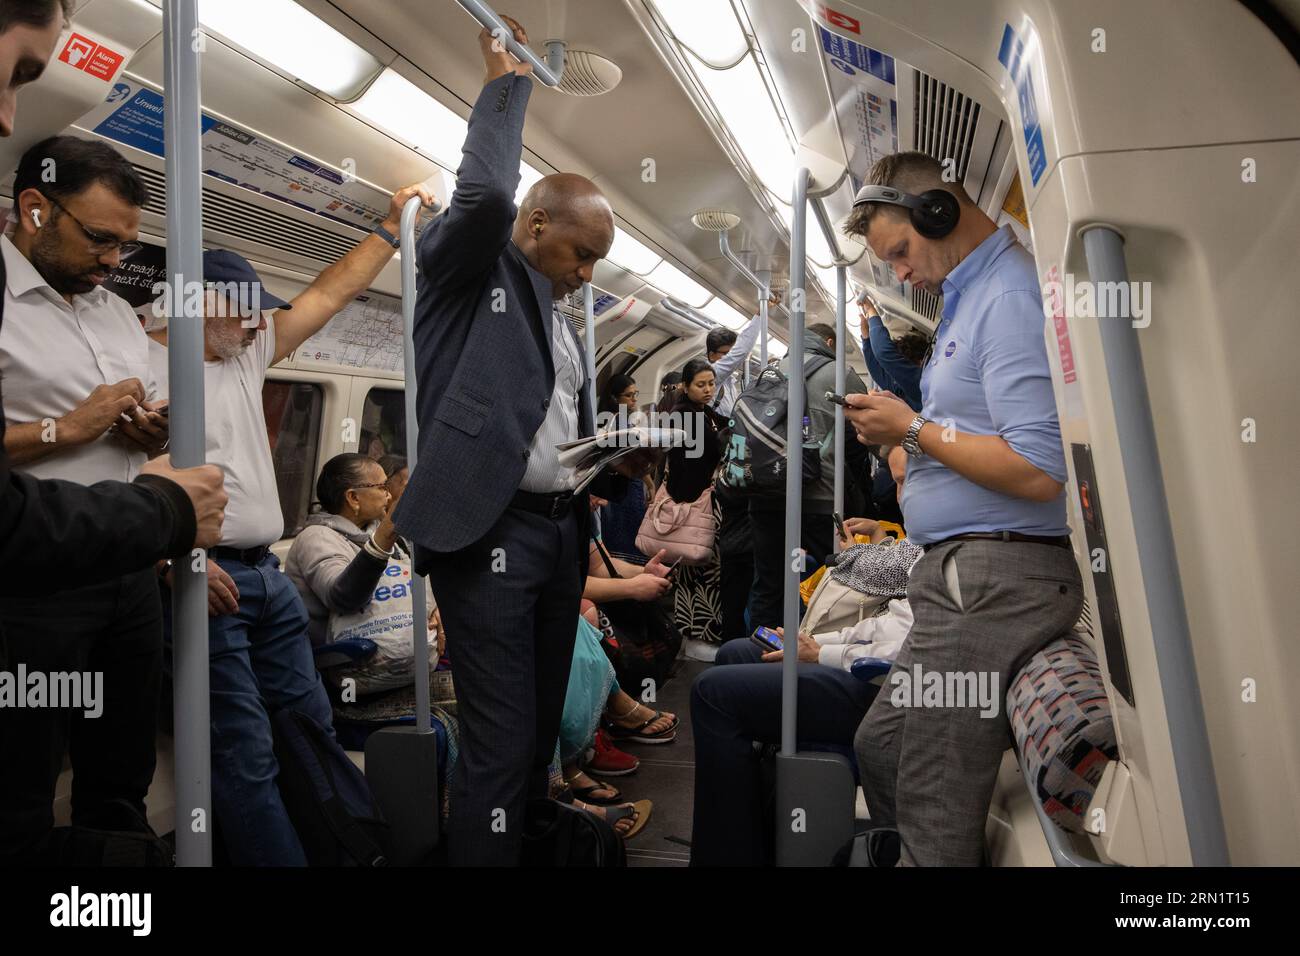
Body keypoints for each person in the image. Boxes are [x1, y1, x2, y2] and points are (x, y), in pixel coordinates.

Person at [147, 183, 436, 865]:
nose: (257, 329)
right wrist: (169, 557)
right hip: (202, 581)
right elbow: (116, 479)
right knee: (244, 753)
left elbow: (326, 296)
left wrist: (391, 229)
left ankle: (349, 851)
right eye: (244, 315)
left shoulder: (242, 354)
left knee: (312, 729)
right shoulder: (134, 364)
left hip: (267, 578)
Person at [392, 14, 622, 867]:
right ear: (535, 226)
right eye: (583, 252)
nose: (588, 273)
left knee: (536, 743)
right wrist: (505, 79)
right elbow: (484, 195)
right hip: (486, 531)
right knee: (496, 748)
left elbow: (547, 421)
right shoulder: (464, 270)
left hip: (557, 532)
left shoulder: (562, 318)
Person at [842, 151, 1082, 866]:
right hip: (957, 574)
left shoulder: (1006, 297)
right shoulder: (966, 297)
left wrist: (911, 431)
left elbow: (1041, 469)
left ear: (938, 211)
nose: (900, 274)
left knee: (932, 798)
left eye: (901, 252)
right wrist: (910, 437)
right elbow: (975, 432)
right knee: (879, 748)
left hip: (989, 578)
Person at [0, 130, 227, 865]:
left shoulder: (110, 312)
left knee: (120, 772)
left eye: (124, 245)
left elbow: (136, 434)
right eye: (100, 238)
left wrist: (147, 433)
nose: (112, 261)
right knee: (23, 780)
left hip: (128, 571)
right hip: (33, 584)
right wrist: (60, 429)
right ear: (35, 209)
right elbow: (66, 431)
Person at [689, 447, 916, 865]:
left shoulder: (947, 549)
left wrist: (822, 651)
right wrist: (808, 640)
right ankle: (753, 830)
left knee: (712, 693)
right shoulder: (930, 541)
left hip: (881, 686)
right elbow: (888, 627)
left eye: (906, 482)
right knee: (739, 652)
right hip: (867, 662)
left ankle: (726, 855)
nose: (900, 495)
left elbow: (901, 645)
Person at [748, 322, 867, 630]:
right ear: (828, 341)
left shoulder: (767, 373)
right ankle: (815, 657)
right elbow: (864, 438)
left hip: (766, 495)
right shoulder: (840, 374)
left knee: (769, 583)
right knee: (831, 583)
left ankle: (759, 659)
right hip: (822, 495)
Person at [284, 454, 442, 687]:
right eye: (381, 487)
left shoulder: (379, 533)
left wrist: (433, 609)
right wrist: (384, 537)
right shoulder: (316, 538)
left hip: (399, 659)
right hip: (351, 669)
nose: (388, 495)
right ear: (353, 497)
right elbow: (343, 597)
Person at [663, 358, 728, 650]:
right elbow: (697, 460)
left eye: (711, 383)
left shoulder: (703, 412)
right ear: (685, 386)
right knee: (695, 568)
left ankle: (704, 632)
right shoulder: (683, 416)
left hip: (701, 502)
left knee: (704, 568)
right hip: (691, 503)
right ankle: (694, 633)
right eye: (701, 385)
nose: (708, 389)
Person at [596, 374, 650, 564]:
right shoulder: (617, 421)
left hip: (619, 486)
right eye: (629, 395)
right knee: (629, 530)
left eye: (636, 394)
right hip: (624, 485)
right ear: (614, 398)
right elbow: (628, 459)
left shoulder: (615, 419)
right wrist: (650, 484)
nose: (634, 399)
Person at [705, 290, 776, 416]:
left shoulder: (729, 382)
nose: (731, 356)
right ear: (711, 355)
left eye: (732, 351)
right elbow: (741, 350)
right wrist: (760, 314)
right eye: (726, 353)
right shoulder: (710, 374)